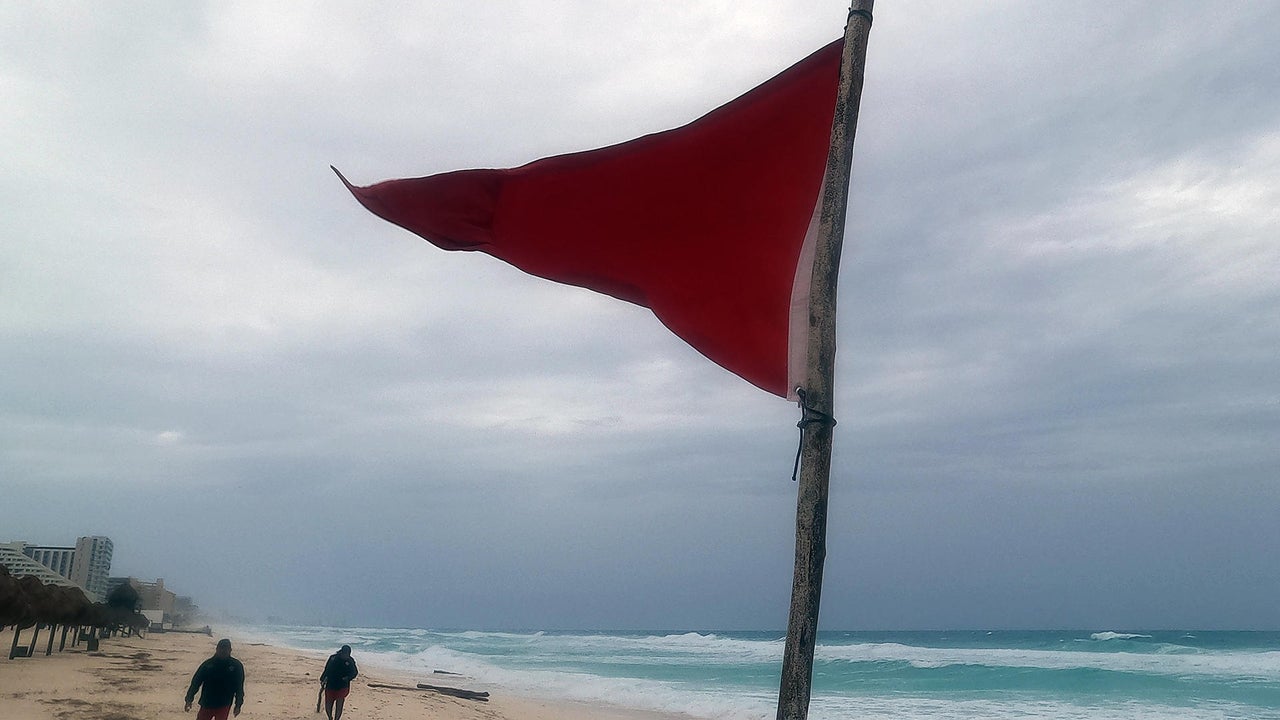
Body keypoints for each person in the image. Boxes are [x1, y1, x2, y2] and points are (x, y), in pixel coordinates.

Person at [185, 638, 245, 720]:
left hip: (224, 703)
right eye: (221, 648)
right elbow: (196, 682)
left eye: (226, 649)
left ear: (230, 650)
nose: (223, 651)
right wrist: (189, 699)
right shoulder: (208, 664)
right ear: (217, 649)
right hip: (207, 702)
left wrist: (238, 705)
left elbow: (239, 687)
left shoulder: (236, 666)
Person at [319, 644, 359, 720]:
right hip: (331, 684)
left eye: (348, 654)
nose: (346, 656)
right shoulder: (333, 658)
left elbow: (354, 672)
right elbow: (327, 669)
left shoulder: (350, 661)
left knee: (340, 703)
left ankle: (337, 719)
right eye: (345, 654)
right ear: (342, 653)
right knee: (328, 704)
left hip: (343, 685)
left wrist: (348, 678)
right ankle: (330, 717)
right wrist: (322, 679)